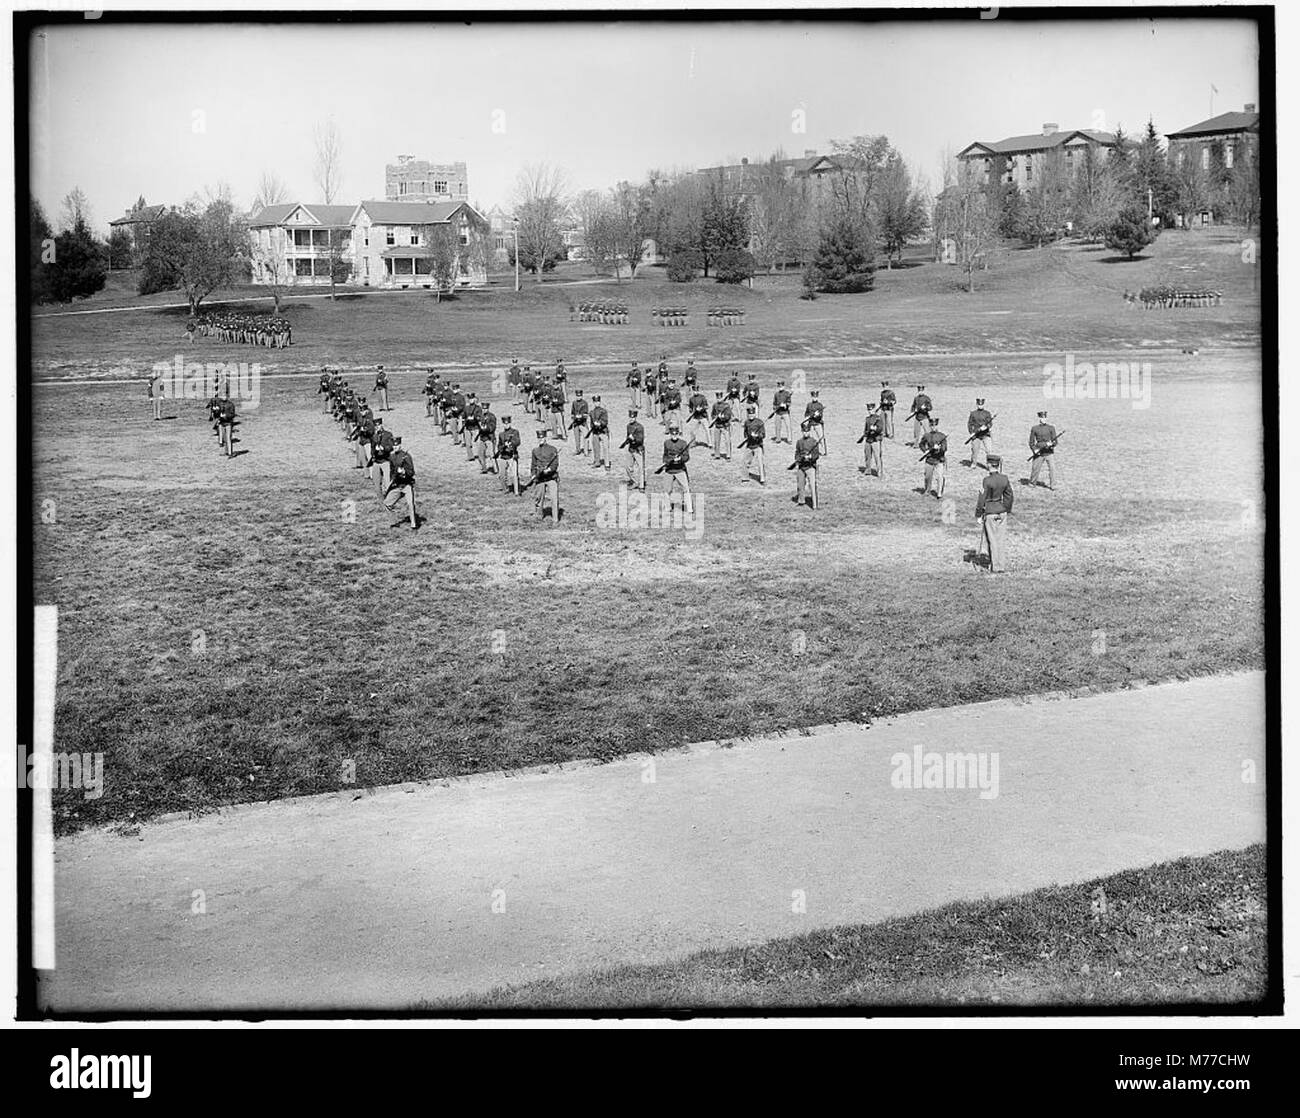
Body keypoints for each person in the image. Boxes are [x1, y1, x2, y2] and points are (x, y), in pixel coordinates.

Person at [975, 453, 1014, 573]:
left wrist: (978, 513)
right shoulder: (1005, 478)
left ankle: (995, 567)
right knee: (1000, 540)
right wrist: (1006, 508)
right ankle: (1000, 565)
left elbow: (982, 499)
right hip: (1002, 512)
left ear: (989, 465)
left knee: (992, 540)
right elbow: (1009, 496)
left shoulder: (986, 480)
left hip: (990, 512)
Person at [384, 437, 418, 529]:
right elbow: (392, 471)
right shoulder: (392, 457)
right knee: (387, 503)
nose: (395, 447)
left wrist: (404, 472)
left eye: (397, 445)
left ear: (400, 445)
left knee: (410, 504)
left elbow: (411, 472)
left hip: (407, 484)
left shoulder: (406, 456)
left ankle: (414, 525)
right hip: (397, 485)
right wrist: (390, 482)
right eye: (394, 445)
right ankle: (394, 522)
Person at [529, 428, 560, 524]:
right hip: (540, 478)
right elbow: (533, 465)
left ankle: (555, 519)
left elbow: (555, 464)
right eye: (539, 438)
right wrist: (533, 475)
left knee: (554, 499)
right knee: (538, 498)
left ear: (546, 438)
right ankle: (539, 516)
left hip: (551, 477)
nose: (540, 439)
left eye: (542, 437)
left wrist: (549, 470)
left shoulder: (553, 449)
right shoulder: (535, 451)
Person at [661, 421, 693, 514]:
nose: (674, 435)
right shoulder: (666, 443)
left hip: (679, 469)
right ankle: (667, 507)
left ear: (678, 433)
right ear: (670, 434)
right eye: (672, 434)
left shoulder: (683, 443)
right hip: (669, 470)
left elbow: (687, 457)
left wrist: (680, 459)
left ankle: (689, 509)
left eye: (676, 434)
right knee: (667, 490)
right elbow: (664, 456)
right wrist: (670, 460)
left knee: (686, 488)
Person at [792, 419, 821, 509]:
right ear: (802, 432)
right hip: (801, 466)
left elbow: (816, 455)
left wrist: (810, 457)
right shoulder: (799, 442)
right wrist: (798, 459)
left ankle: (815, 505)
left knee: (812, 486)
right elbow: (797, 453)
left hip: (810, 467)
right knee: (800, 485)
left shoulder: (814, 441)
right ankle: (801, 501)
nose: (806, 433)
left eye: (807, 431)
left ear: (810, 431)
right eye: (804, 432)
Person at [1029, 410, 1059, 490]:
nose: (1043, 419)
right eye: (1042, 418)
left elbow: (1055, 442)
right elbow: (1031, 442)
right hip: (1039, 453)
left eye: (1045, 418)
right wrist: (1034, 450)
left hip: (1049, 452)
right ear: (1039, 418)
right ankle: (1032, 483)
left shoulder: (1051, 428)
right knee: (1035, 469)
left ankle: (1053, 485)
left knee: (1052, 469)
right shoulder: (1035, 428)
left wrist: (1051, 444)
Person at [918, 414, 947, 498]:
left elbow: (945, 448)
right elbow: (921, 444)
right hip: (930, 459)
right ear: (930, 426)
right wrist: (925, 450)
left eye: (935, 425)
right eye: (932, 425)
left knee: (940, 477)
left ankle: (939, 493)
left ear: (937, 426)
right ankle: (927, 491)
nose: (933, 427)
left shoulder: (942, 436)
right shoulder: (927, 435)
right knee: (927, 477)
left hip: (939, 459)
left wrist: (939, 448)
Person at [739, 404, 767, 485]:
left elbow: (763, 434)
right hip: (749, 445)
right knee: (744, 461)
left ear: (755, 414)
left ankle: (762, 479)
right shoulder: (746, 422)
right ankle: (745, 478)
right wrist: (747, 437)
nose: (751, 415)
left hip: (758, 445)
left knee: (760, 462)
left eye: (752, 414)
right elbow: (745, 432)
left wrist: (757, 436)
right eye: (749, 414)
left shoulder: (760, 422)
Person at [621, 407, 647, 491]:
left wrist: (634, 439)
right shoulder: (628, 426)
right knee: (628, 467)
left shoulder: (640, 427)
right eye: (630, 417)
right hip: (631, 449)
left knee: (641, 468)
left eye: (633, 417)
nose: (631, 419)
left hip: (638, 449)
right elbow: (627, 437)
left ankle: (641, 486)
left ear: (635, 417)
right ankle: (635, 482)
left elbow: (641, 440)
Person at [496, 414, 522, 494]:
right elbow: (499, 446)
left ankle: (517, 491)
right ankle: (505, 489)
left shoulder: (515, 432)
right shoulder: (501, 434)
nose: (506, 425)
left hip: (512, 455)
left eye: (508, 423)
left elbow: (518, 442)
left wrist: (511, 443)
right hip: (503, 456)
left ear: (510, 423)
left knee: (514, 475)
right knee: (502, 475)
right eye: (505, 424)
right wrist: (503, 446)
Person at [967, 397, 994, 470]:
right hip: (976, 435)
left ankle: (989, 465)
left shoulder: (987, 413)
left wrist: (986, 427)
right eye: (979, 404)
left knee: (989, 450)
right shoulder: (973, 413)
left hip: (985, 434)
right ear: (976, 404)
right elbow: (969, 424)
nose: (980, 406)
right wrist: (971, 432)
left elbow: (990, 423)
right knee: (975, 450)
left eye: (981, 405)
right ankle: (973, 463)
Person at [859, 401, 885, 477]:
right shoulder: (867, 419)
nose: (870, 411)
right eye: (868, 410)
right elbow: (865, 429)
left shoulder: (878, 418)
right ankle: (868, 470)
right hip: (868, 439)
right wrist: (864, 435)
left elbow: (880, 429)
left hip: (875, 439)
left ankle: (879, 471)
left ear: (874, 409)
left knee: (877, 456)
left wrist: (875, 428)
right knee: (867, 456)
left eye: (871, 409)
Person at [372, 418, 394, 498]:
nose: (377, 427)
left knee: (387, 482)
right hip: (376, 461)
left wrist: (384, 448)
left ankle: (389, 499)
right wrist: (375, 451)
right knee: (377, 484)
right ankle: (381, 501)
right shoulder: (374, 436)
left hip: (385, 461)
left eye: (379, 425)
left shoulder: (388, 434)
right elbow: (372, 449)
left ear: (381, 425)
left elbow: (391, 447)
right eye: (376, 426)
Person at [589, 394, 611, 471]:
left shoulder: (603, 411)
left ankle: (607, 464)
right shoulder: (592, 412)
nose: (596, 403)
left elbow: (605, 422)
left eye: (598, 402)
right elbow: (591, 423)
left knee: (606, 448)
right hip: (595, 432)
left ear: (600, 402)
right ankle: (597, 461)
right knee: (596, 447)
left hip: (603, 432)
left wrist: (600, 423)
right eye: (595, 402)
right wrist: (593, 426)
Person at [710, 391, 733, 460]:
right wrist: (715, 417)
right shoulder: (715, 405)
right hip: (717, 425)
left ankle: (728, 455)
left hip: (725, 425)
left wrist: (722, 417)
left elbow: (728, 416)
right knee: (716, 441)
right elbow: (712, 414)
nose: (719, 399)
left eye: (720, 398)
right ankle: (717, 455)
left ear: (722, 398)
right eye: (717, 398)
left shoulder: (726, 406)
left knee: (727, 441)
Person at [478, 400, 498, 473]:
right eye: (483, 409)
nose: (484, 410)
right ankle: (484, 468)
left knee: (491, 455)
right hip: (482, 438)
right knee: (480, 454)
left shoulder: (492, 416)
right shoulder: (481, 416)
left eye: (485, 409)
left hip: (490, 438)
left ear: (488, 409)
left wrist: (486, 428)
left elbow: (493, 427)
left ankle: (496, 469)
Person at [462, 391, 483, 462]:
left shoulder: (478, 408)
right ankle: (470, 456)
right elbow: (463, 416)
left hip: (475, 427)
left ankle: (481, 456)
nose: (471, 400)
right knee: (468, 443)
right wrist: (465, 419)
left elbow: (480, 417)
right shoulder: (466, 408)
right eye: (469, 399)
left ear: (474, 399)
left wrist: (475, 418)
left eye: (472, 399)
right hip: (468, 427)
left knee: (478, 443)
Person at [569, 387, 590, 456]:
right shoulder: (574, 403)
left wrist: (580, 416)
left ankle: (586, 451)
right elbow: (572, 413)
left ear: (582, 395)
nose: (578, 397)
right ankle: (577, 450)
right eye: (577, 396)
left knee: (586, 436)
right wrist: (575, 417)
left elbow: (586, 414)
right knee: (576, 437)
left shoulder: (585, 403)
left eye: (580, 395)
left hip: (583, 423)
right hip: (575, 423)